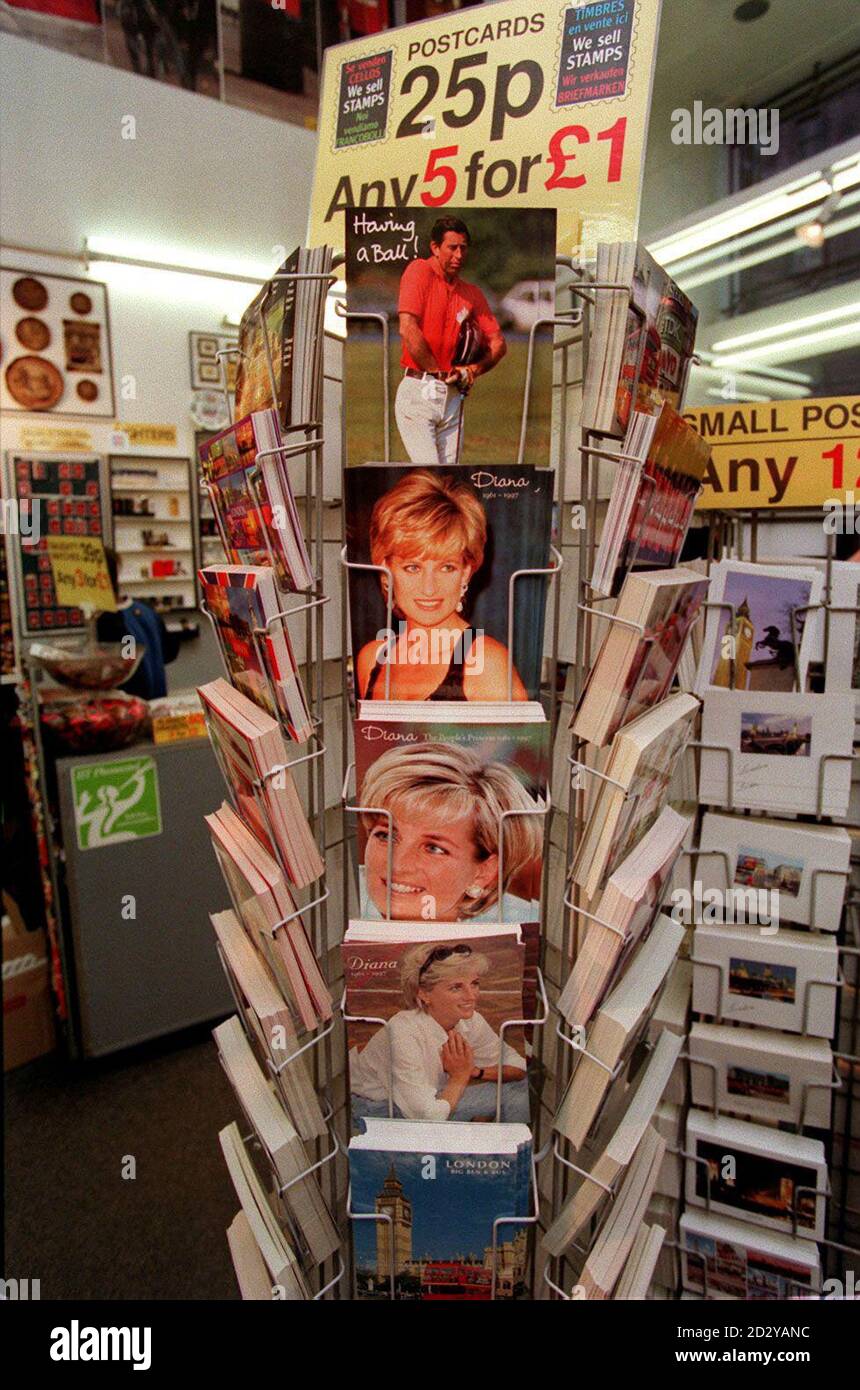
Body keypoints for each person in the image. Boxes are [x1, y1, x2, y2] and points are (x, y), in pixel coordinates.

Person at [355, 469, 527, 701]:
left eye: (447, 567)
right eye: (412, 568)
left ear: (465, 573)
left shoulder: (487, 663)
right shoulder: (371, 659)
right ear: (386, 571)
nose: (429, 588)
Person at [358, 742, 542, 923]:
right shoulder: (337, 905)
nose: (397, 865)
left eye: (433, 848)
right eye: (386, 836)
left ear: (484, 873)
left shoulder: (527, 926)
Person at [349, 941, 529, 1124]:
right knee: (513, 1094)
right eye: (456, 987)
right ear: (424, 995)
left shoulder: (470, 1020)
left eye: (474, 983)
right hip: (376, 1109)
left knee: (521, 1085)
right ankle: (499, 1150)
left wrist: (474, 1071)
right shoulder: (402, 1032)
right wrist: (459, 1077)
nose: (471, 996)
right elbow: (426, 1116)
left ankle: (483, 1146)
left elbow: (518, 1066)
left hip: (427, 1101)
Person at [395, 216, 507, 466]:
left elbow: (498, 343)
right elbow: (407, 327)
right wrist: (436, 372)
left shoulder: (472, 293)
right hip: (419, 389)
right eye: (452, 247)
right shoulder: (419, 271)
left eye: (463, 248)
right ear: (435, 247)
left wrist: (473, 370)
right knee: (431, 475)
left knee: (449, 479)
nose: (458, 254)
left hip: (453, 394)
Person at [96, 546, 179, 700]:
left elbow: (124, 667)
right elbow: (169, 652)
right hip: (156, 700)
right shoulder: (145, 611)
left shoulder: (106, 620)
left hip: (128, 708)